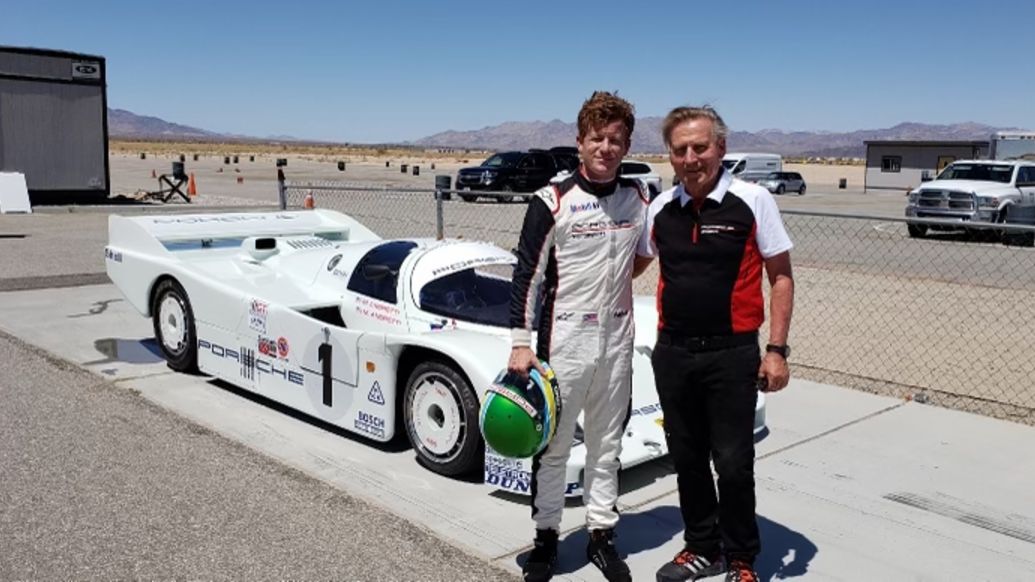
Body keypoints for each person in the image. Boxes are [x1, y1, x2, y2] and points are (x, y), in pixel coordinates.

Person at [633, 106, 794, 582]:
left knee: (733, 463)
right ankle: (702, 547)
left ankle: (742, 558)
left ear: (720, 149)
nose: (690, 158)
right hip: (674, 352)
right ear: (670, 156)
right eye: (680, 150)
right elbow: (635, 264)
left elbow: (780, 278)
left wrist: (776, 351)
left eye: (699, 147)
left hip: (733, 352)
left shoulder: (754, 200)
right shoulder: (660, 209)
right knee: (687, 458)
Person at [508, 91, 647, 582]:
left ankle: (601, 535)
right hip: (563, 339)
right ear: (579, 141)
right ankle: (546, 537)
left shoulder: (639, 198)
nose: (606, 147)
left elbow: (643, 256)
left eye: (616, 140)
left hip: (618, 337)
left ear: (626, 144)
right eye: (597, 138)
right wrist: (521, 342)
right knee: (555, 445)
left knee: (608, 443)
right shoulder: (552, 200)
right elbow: (528, 274)